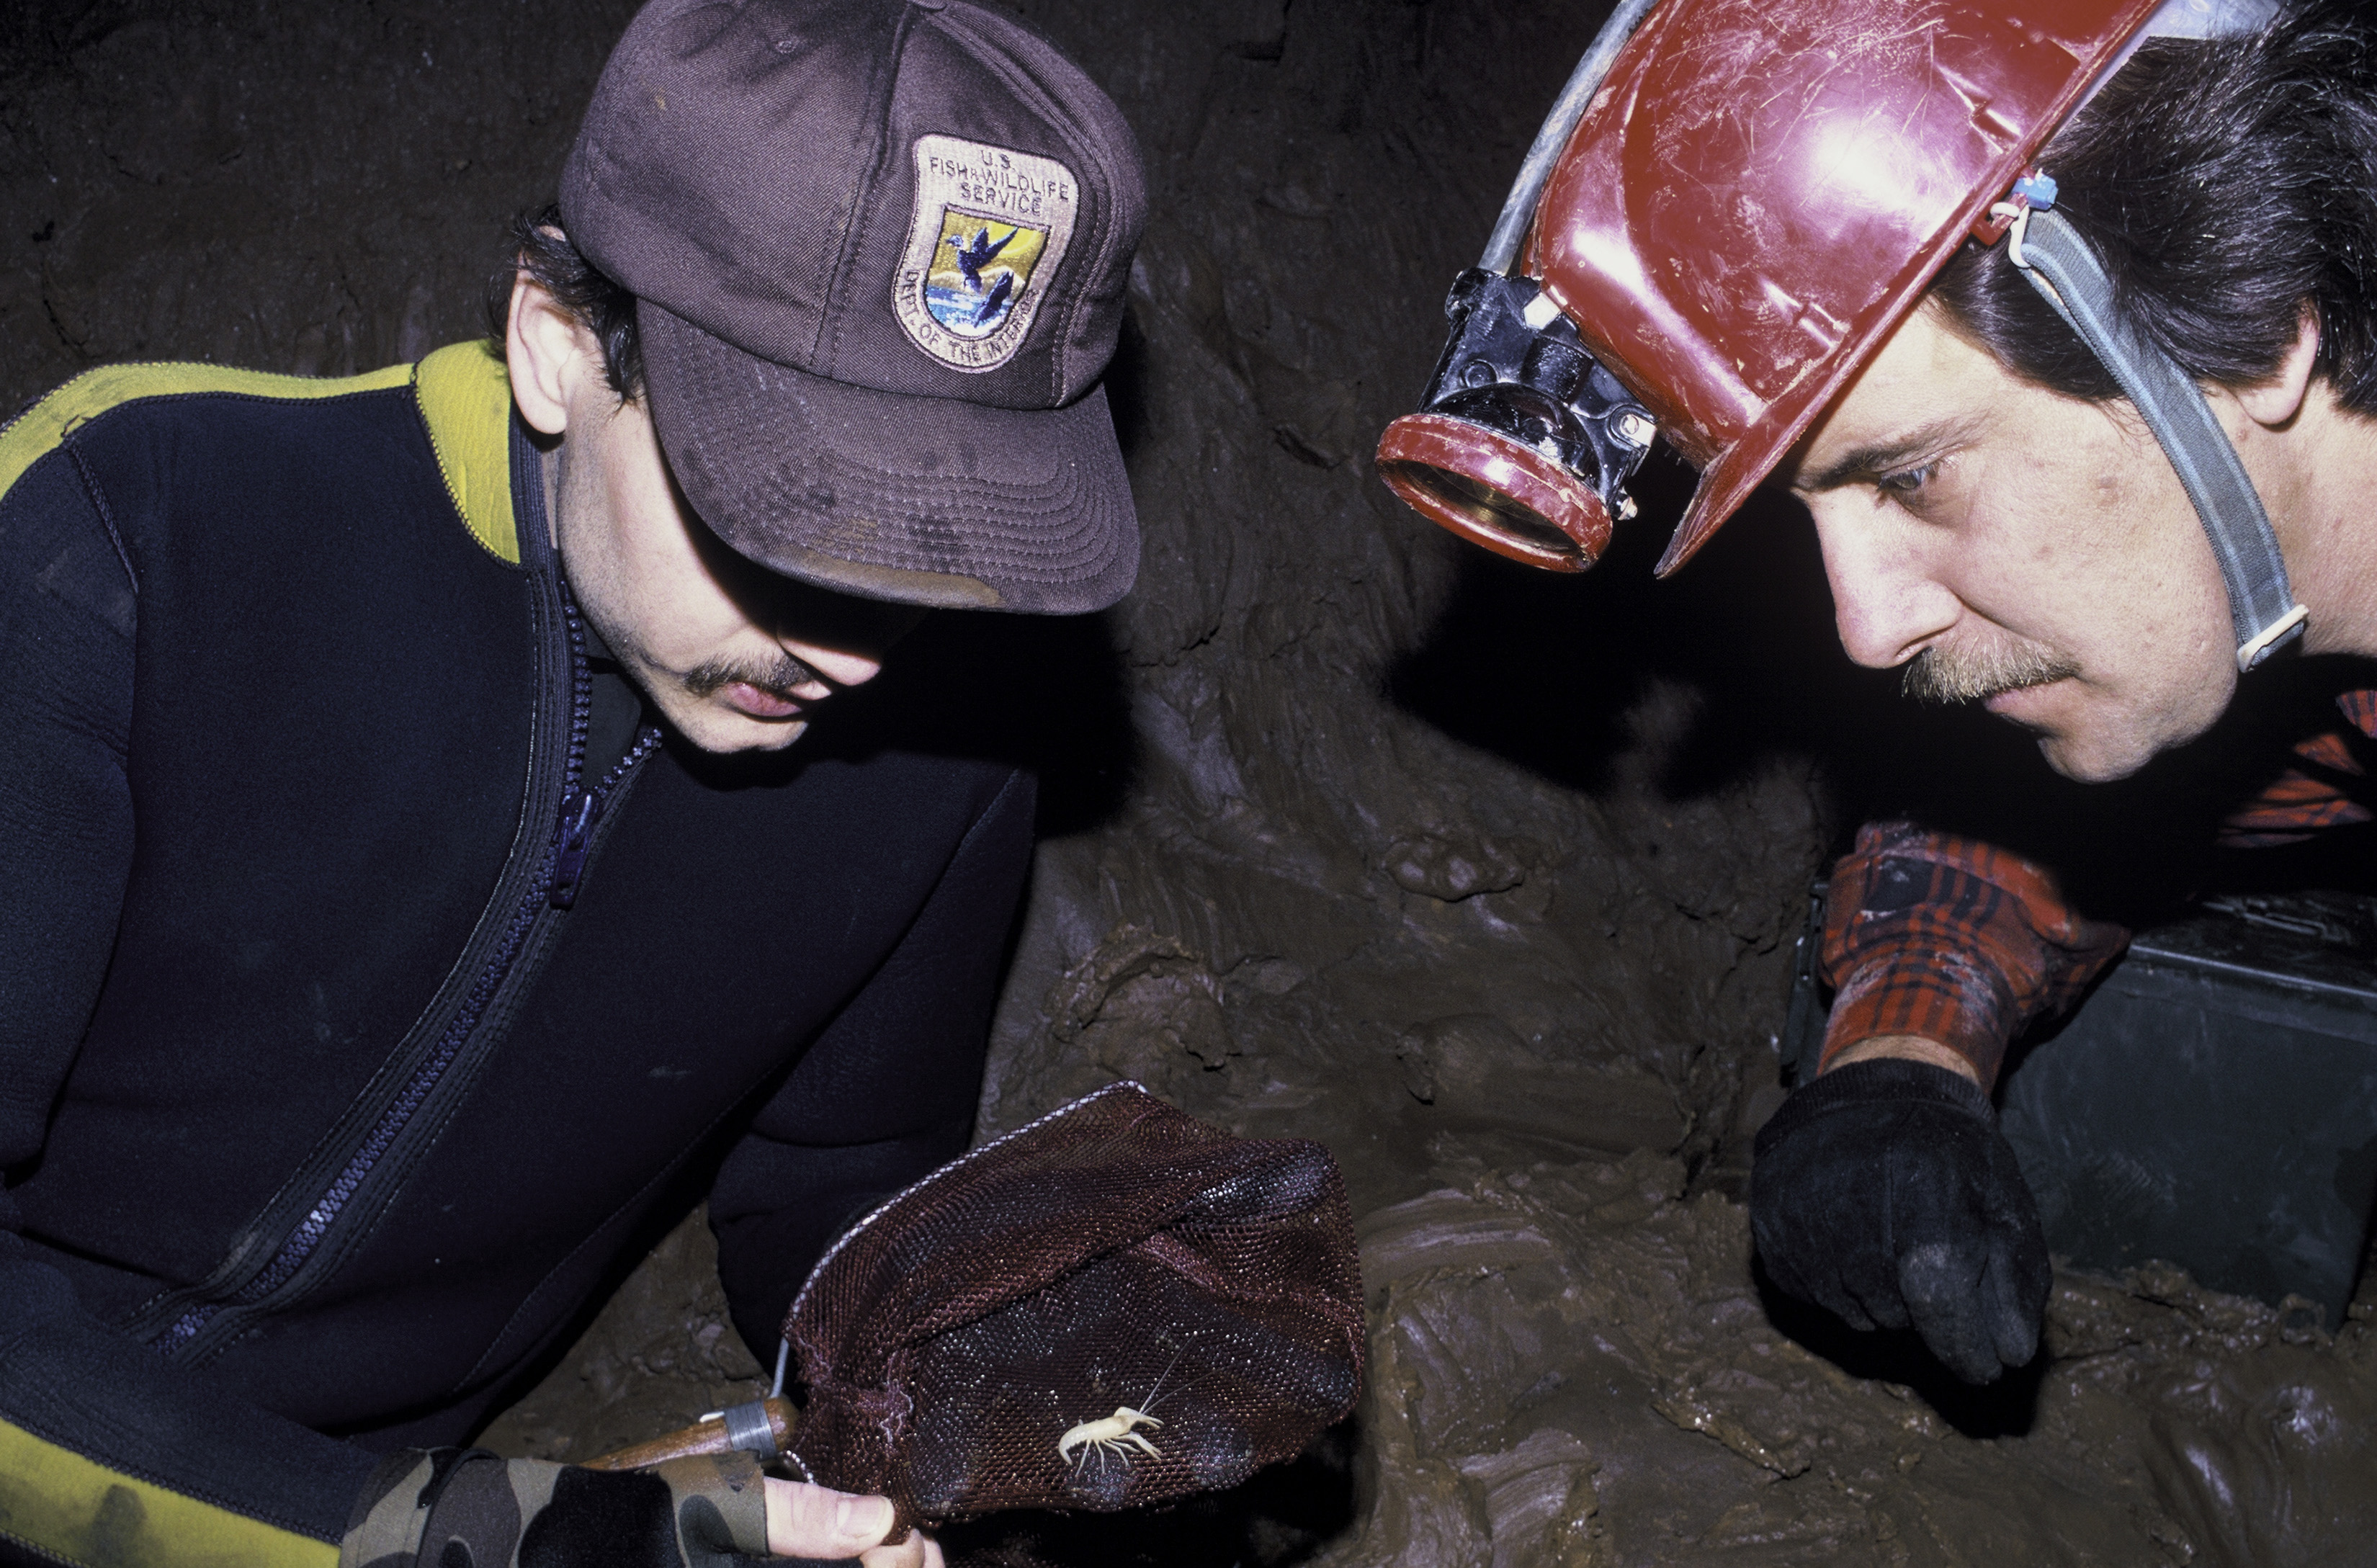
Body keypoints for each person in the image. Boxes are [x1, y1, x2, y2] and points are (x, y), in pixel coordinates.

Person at [0, 0, 1145, 1562]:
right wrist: (500, 1544)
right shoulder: (126, 538)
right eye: (788, 515)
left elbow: (841, 1183)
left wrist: (973, 1407)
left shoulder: (949, 764)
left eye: (945, 546)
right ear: (556, 340)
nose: (858, 655)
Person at [1378, 0, 2377, 1384]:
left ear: (2261, 328)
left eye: (1910, 477)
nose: (1865, 627)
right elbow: (2088, 819)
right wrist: (1906, 1054)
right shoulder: (2208, 623)